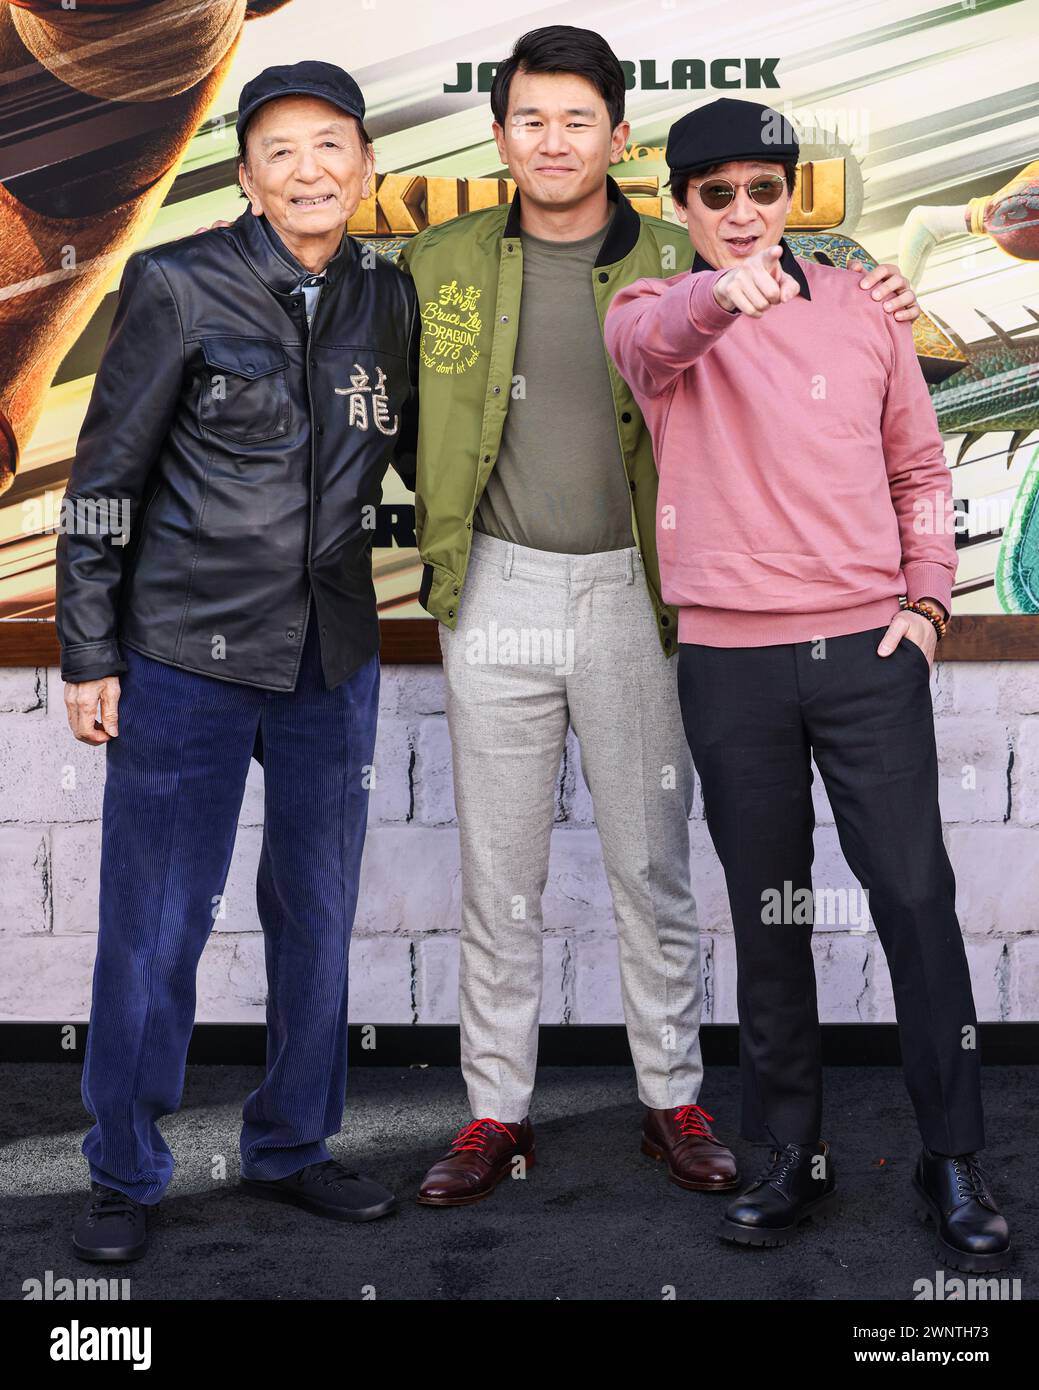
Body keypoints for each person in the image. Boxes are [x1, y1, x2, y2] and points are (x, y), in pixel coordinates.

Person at [398, 28, 921, 1208]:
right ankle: (495, 1114)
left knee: (651, 861)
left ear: (620, 141)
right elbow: (394, 417)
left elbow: (801, 336)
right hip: (495, 585)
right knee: (499, 867)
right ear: (497, 137)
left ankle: (672, 1099)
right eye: (529, 119)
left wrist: (879, 276)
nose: (551, 140)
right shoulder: (440, 262)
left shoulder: (680, 261)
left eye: (577, 119)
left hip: (644, 593)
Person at [604, 97, 1011, 1271]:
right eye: (714, 194)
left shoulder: (866, 308)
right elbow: (661, 341)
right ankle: (788, 1156)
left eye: (761, 190)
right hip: (729, 661)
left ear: (793, 197)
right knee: (767, 914)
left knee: (915, 901)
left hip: (867, 656)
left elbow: (919, 467)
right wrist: (720, 295)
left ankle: (953, 1156)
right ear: (679, 207)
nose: (741, 212)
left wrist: (928, 602)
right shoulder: (650, 312)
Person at [56, 61, 418, 1261]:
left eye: (330, 146)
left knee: (315, 912)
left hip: (332, 658)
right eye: (280, 151)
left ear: (363, 162)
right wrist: (88, 652)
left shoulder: (390, 294)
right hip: (181, 659)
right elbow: (102, 481)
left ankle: (292, 1148)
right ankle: (124, 1170)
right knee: (155, 922)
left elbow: (424, 453)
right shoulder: (176, 283)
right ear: (249, 175)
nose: (309, 170)